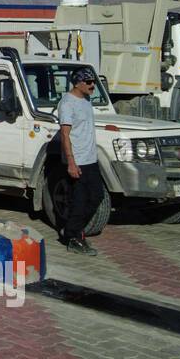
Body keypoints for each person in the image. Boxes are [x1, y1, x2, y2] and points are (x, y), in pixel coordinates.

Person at [57, 66, 102, 255]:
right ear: (78, 83)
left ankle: (73, 230)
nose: (93, 86)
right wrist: (71, 163)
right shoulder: (67, 104)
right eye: (89, 82)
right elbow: (65, 135)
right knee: (80, 201)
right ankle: (73, 237)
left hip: (91, 159)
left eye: (94, 82)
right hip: (78, 161)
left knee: (97, 196)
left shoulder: (86, 100)